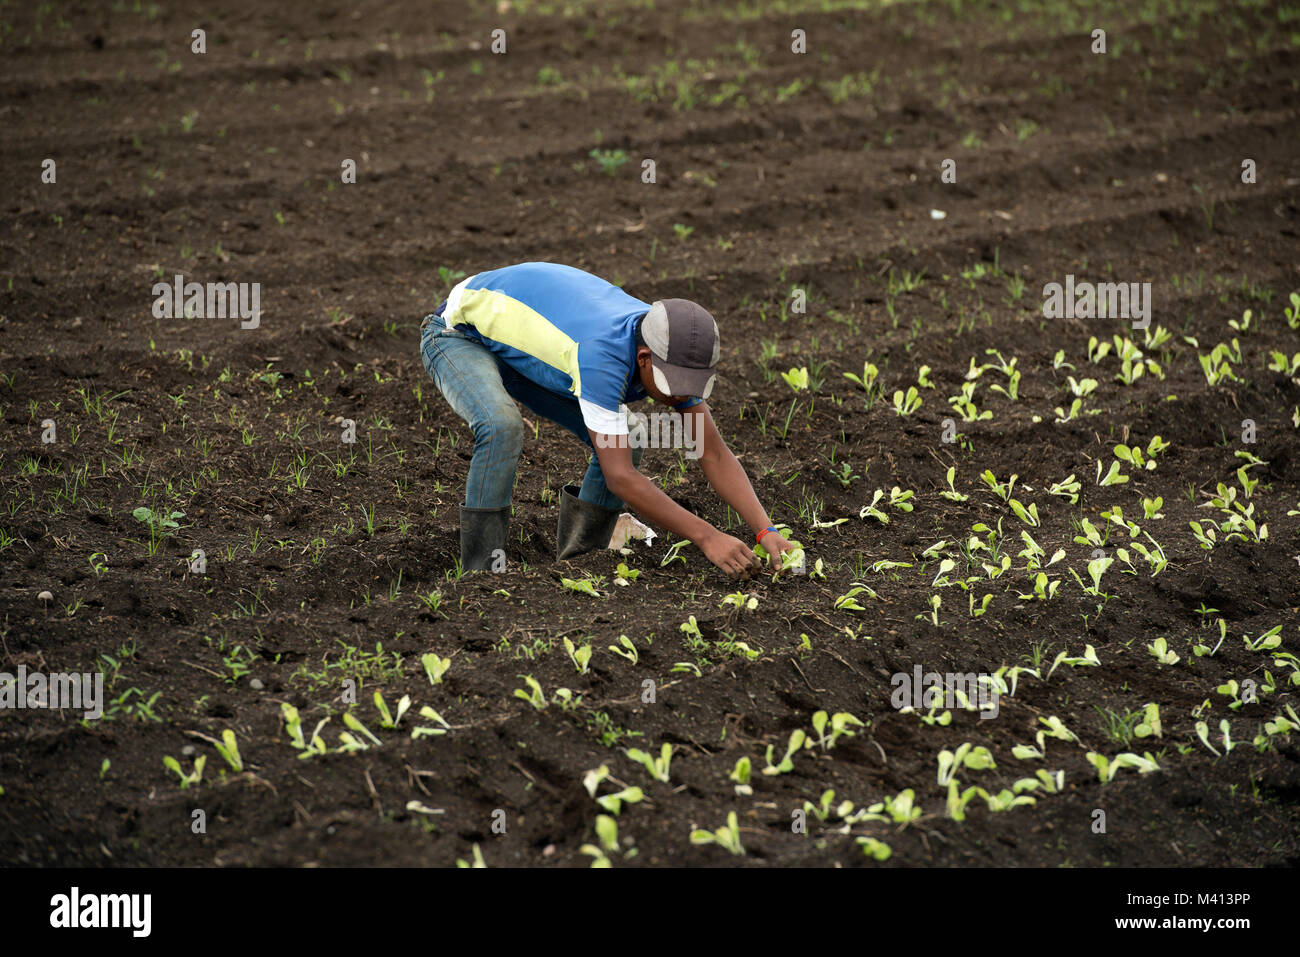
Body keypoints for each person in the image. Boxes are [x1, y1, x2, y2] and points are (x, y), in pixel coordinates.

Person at [418, 261, 798, 580]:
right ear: (645, 358)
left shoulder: (676, 348)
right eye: (674, 385)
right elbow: (620, 476)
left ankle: (579, 563)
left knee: (627, 437)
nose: (681, 396)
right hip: (460, 334)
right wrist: (706, 536)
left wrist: (765, 529)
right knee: (501, 426)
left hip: (525, 346)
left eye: (690, 386)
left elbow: (712, 452)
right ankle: (482, 574)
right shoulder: (602, 356)